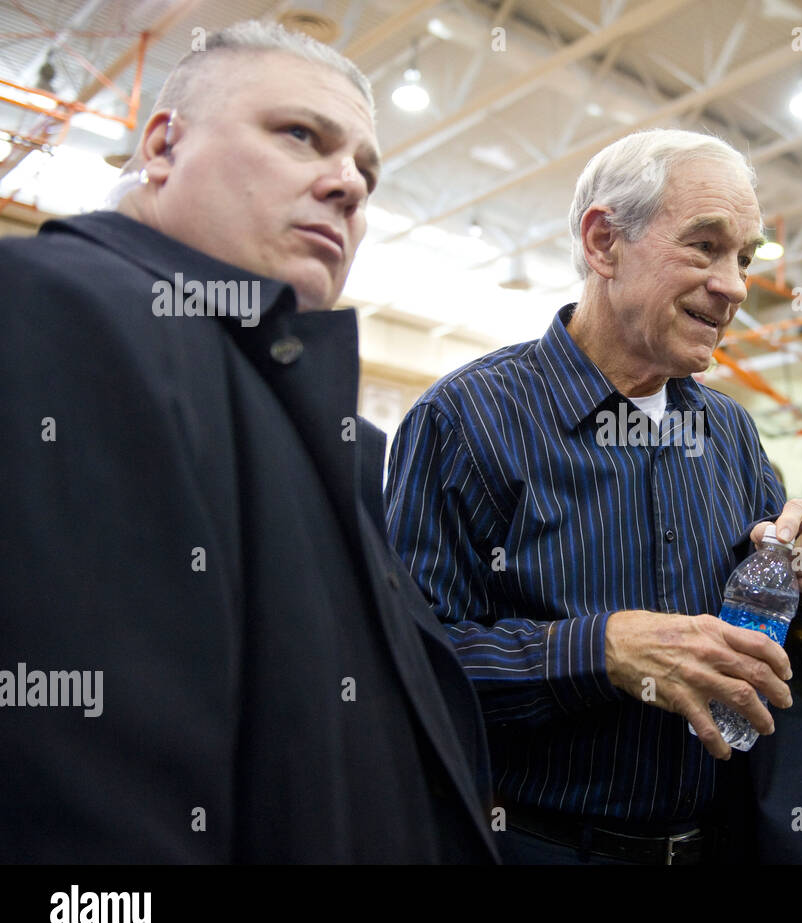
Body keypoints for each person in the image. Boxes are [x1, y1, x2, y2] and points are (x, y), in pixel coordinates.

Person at [0, 21, 496, 863]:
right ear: (163, 146)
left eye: (368, 174)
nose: (347, 186)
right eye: (301, 135)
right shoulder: (59, 311)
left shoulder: (320, 424)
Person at [385, 129, 802, 864]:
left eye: (743, 255)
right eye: (704, 246)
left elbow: (778, 630)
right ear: (604, 241)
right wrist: (600, 649)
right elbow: (405, 666)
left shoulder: (730, 433)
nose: (737, 284)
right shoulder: (465, 422)